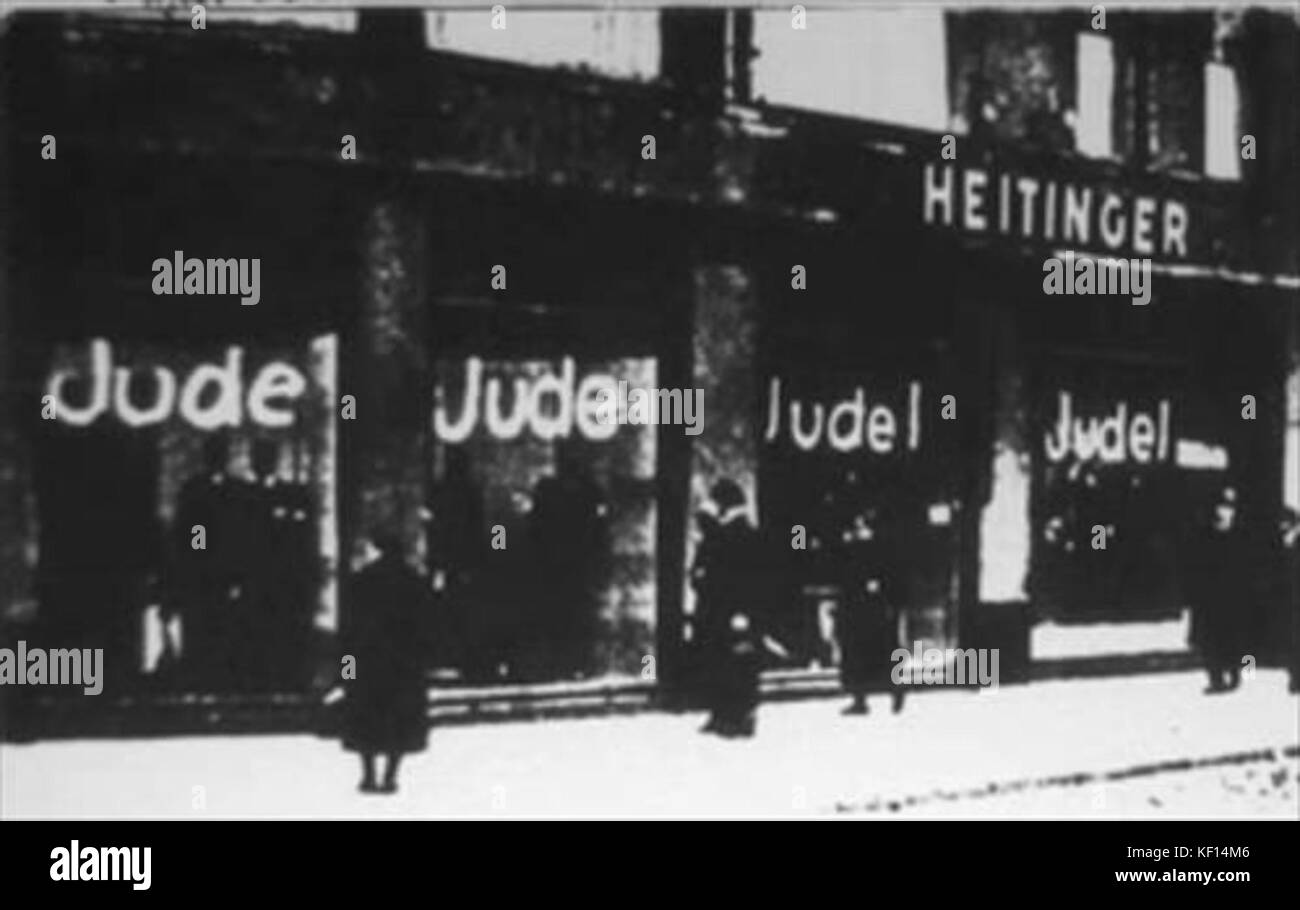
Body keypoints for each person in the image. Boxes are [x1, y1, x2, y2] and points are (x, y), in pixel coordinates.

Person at [339, 533, 432, 794]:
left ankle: (368, 775)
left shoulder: (362, 581)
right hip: (404, 664)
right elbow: (426, 626)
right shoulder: (414, 582)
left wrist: (347, 669)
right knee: (399, 721)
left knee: (365, 717)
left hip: (367, 661)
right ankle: (391, 776)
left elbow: (349, 628)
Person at [837, 508, 906, 715]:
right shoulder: (855, 547)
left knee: (880, 652)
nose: (859, 530)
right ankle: (861, 698)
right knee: (857, 654)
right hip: (858, 608)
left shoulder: (880, 547)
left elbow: (889, 576)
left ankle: (895, 691)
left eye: (862, 526)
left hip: (874, 609)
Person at [1187, 487, 1250, 694]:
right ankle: (1217, 678)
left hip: (1230, 597)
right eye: (1222, 506)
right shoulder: (1204, 535)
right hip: (1210, 597)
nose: (1224, 512)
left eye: (1229, 507)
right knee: (1210, 640)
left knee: (1233, 638)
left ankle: (1236, 675)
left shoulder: (1239, 536)